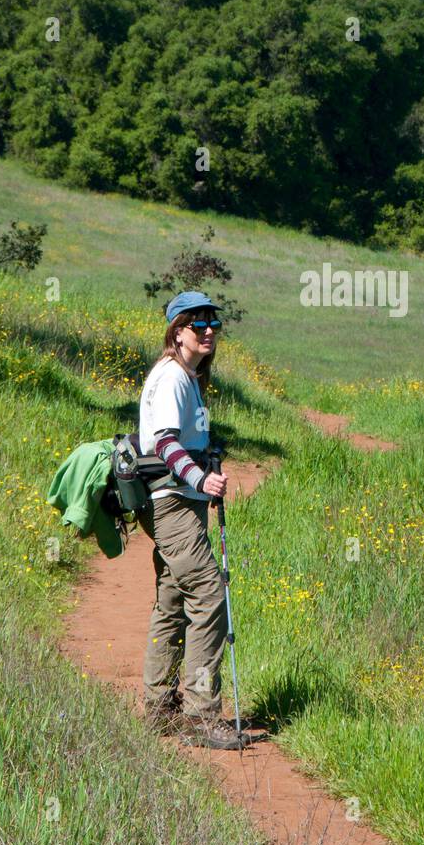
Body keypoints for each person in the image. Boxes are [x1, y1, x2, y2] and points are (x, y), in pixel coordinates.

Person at [136, 290, 265, 749]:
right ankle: (199, 717)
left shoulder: (187, 377)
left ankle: (157, 710)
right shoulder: (171, 376)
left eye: (214, 322)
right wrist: (199, 478)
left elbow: (182, 443)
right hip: (172, 503)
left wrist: (205, 467)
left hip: (178, 500)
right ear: (177, 331)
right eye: (198, 324)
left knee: (172, 602)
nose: (209, 330)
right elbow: (166, 443)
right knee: (210, 595)